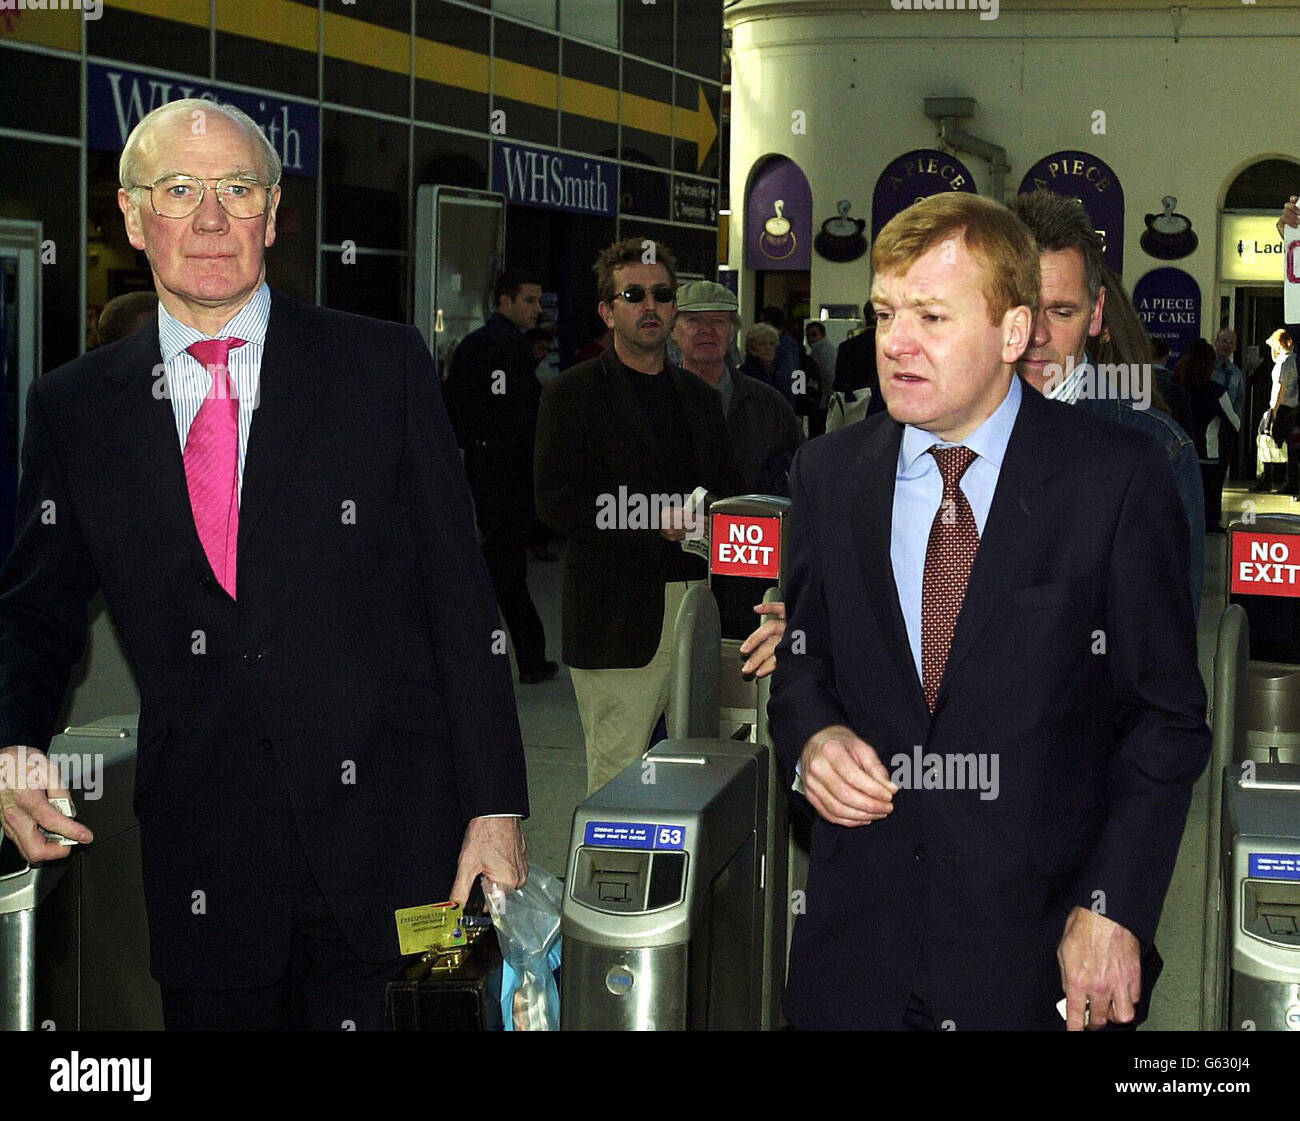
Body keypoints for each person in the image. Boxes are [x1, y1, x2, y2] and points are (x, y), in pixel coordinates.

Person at [0, 99, 528, 1031]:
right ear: (131, 216)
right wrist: (11, 746)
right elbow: (36, 614)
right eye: (178, 189)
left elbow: (463, 599)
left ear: (274, 215)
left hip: (407, 848)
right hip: (208, 862)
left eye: (237, 190)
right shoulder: (76, 409)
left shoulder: (380, 367)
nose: (209, 218)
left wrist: (496, 808)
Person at [769, 191, 1209, 1032]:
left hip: (1038, 961)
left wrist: (1112, 906)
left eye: (932, 316)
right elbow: (802, 657)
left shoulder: (1114, 479)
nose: (895, 342)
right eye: (886, 311)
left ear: (1013, 334)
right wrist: (813, 735)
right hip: (856, 962)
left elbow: (1165, 718)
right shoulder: (828, 475)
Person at [534, 238, 743, 794]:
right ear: (608, 310)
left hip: (698, 605)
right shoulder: (571, 394)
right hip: (617, 615)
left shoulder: (698, 399)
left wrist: (715, 517)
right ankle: (607, 884)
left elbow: (726, 488)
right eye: (633, 295)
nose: (650, 305)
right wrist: (651, 518)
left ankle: (681, 882)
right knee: (618, 774)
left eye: (661, 294)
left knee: (696, 772)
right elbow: (556, 501)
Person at [1009, 189, 1204, 619]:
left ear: (1096, 315)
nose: (1036, 335)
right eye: (1021, 308)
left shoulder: (1157, 449)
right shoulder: (935, 430)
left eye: (1061, 312)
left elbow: (1161, 657)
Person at [444, 269, 557, 684]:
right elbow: (522, 415)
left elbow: (455, 404)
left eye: (538, 301)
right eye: (528, 301)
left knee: (500, 563)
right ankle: (528, 656)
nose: (536, 309)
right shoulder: (508, 348)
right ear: (505, 302)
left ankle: (522, 655)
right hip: (506, 469)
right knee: (505, 567)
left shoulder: (479, 345)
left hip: (487, 462)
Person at [673, 280, 803, 495]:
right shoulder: (655, 400)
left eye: (718, 321)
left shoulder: (769, 404)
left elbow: (802, 474)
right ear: (673, 331)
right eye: (693, 320)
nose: (706, 330)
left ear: (731, 333)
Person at [1175, 338, 1240, 531]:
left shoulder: (1176, 386)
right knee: (1211, 491)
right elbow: (1234, 421)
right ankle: (1210, 522)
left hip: (1181, 448)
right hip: (1209, 451)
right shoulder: (1216, 391)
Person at [1264, 328, 1300, 497]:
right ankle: (1290, 481)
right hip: (1292, 406)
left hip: (1283, 407)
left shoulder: (1284, 362)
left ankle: (1277, 479)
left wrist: (1275, 411)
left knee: (1275, 442)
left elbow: (1280, 388)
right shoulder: (1293, 360)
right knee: (1292, 447)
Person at [1212, 328, 1244, 477]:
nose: (1227, 345)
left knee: (1222, 466)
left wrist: (1236, 421)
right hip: (1210, 423)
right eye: (1224, 341)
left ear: (1235, 347)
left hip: (1228, 426)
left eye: (1231, 343)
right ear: (1216, 343)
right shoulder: (1208, 368)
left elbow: (1239, 399)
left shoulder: (1236, 372)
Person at [804, 321, 836, 437]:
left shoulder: (825, 353)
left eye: (814, 335)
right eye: (808, 336)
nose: (811, 339)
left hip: (823, 403)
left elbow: (829, 377)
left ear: (822, 335)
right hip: (821, 402)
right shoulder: (820, 352)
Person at [740, 322, 782, 393]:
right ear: (751, 348)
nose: (768, 348)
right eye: (762, 344)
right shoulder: (745, 374)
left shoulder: (775, 374)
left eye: (772, 344)